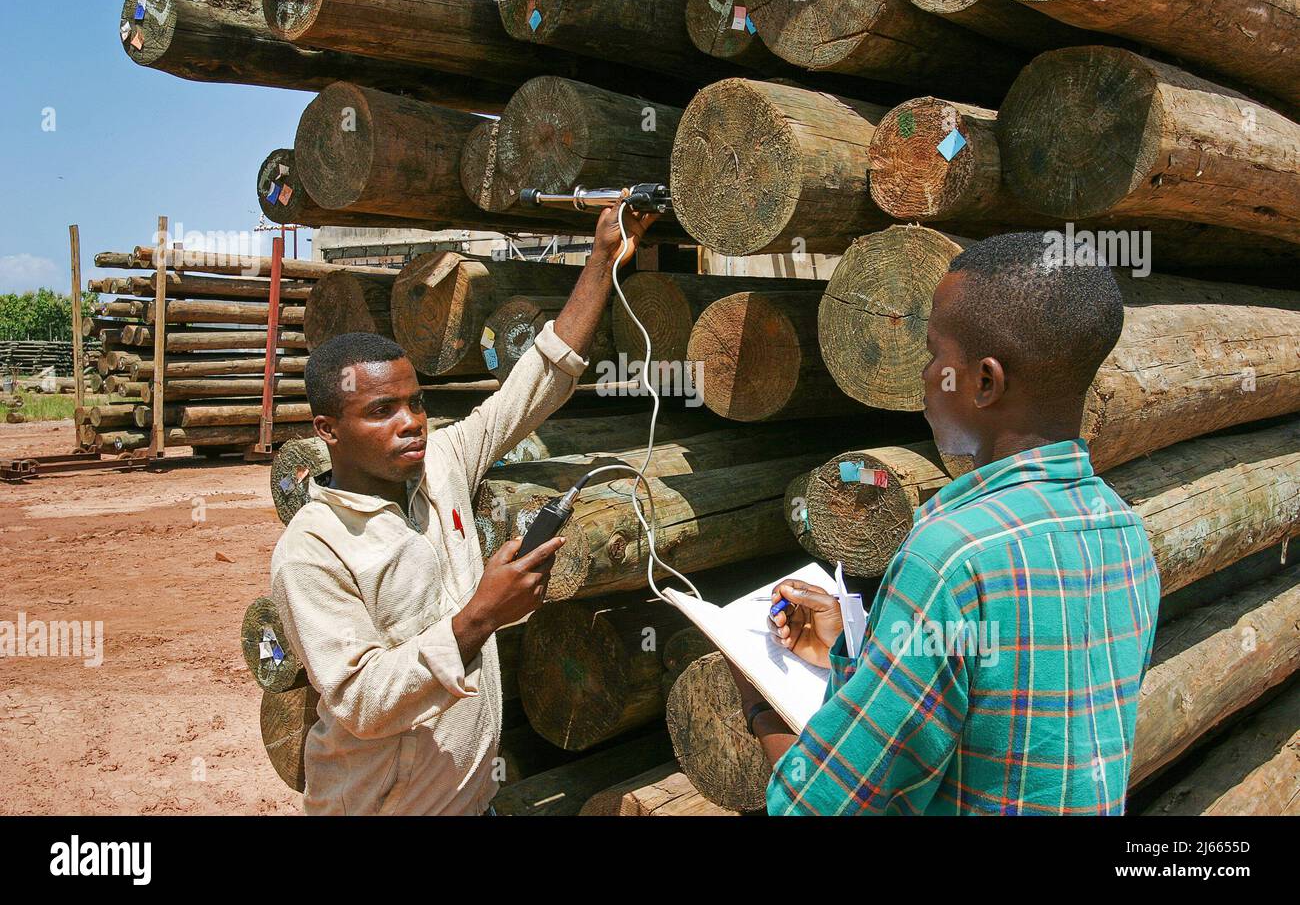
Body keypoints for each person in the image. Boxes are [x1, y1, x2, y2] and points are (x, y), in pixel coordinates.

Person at [733, 231, 1161, 815]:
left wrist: (754, 700)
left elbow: (821, 805)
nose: (927, 373)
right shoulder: (1123, 533)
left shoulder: (950, 560)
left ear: (985, 382)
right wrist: (859, 650)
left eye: (935, 353)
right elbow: (1005, 702)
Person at [270, 205, 657, 815]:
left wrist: (603, 256)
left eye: (416, 403)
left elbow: (539, 381)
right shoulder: (312, 549)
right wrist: (481, 616)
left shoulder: (443, 463)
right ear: (328, 430)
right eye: (381, 412)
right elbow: (362, 701)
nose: (411, 424)